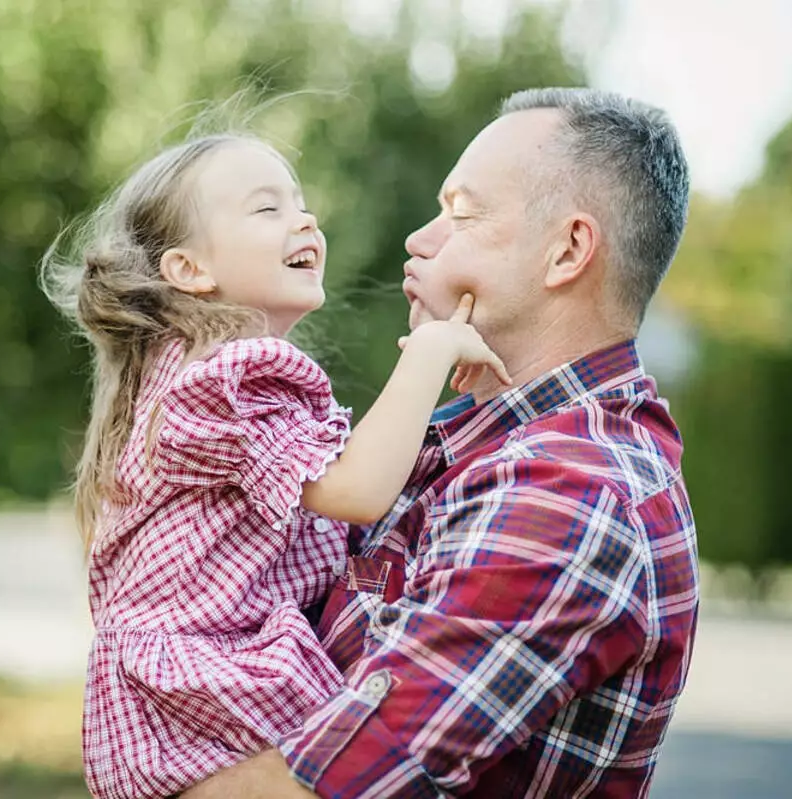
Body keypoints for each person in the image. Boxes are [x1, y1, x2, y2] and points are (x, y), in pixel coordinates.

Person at [182, 87, 700, 799]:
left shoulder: (568, 495)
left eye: (461, 214)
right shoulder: (464, 450)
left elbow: (324, 787)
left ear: (568, 250)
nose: (419, 239)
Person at [41, 131, 510, 799]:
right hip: (211, 685)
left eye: (301, 203)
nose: (305, 220)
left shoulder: (188, 371)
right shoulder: (227, 376)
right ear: (188, 270)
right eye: (268, 210)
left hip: (169, 698)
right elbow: (356, 490)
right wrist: (430, 351)